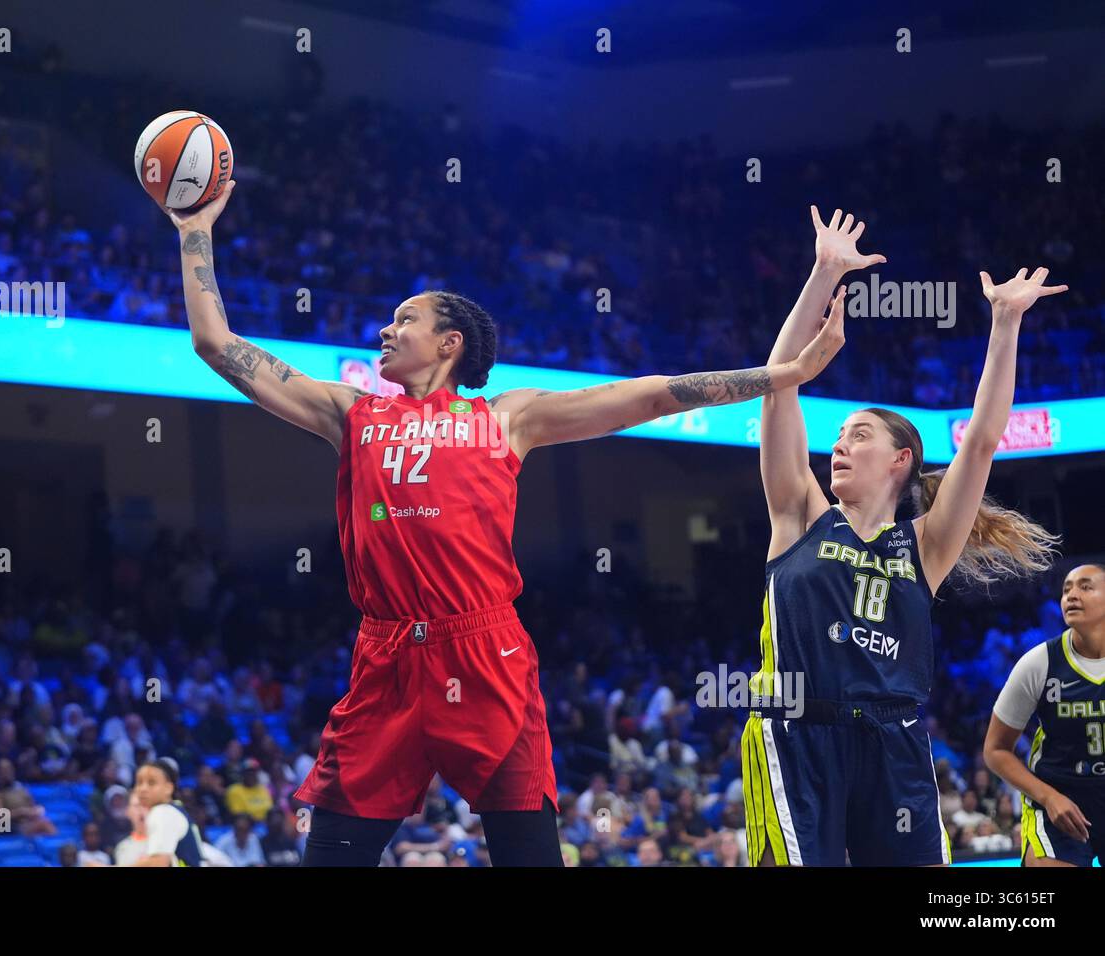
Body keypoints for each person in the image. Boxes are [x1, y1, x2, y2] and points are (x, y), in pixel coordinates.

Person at [159, 181, 846, 867]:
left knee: (528, 853)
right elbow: (215, 343)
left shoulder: (505, 418)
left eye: (404, 320)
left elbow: (649, 395)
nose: (384, 330)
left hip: (485, 652)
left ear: (448, 343)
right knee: (335, 852)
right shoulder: (353, 413)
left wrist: (781, 374)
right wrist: (195, 229)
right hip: (386, 659)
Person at [744, 206, 1064, 866]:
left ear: (900, 462)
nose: (838, 445)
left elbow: (979, 445)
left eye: (857, 435)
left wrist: (1005, 324)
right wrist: (823, 273)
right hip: (799, 736)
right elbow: (777, 388)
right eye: (838, 436)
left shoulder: (925, 545)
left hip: (895, 742)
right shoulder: (799, 513)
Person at [984, 564, 1105, 867]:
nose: (1071, 596)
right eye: (1067, 589)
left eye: (1085, 587)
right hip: (1059, 796)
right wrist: (1049, 797)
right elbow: (996, 750)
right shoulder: (1039, 663)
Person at [132, 758, 206, 867]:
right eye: (139, 782)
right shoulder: (175, 809)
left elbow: (158, 864)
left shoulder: (163, 813)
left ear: (168, 788)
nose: (143, 788)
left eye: (151, 783)